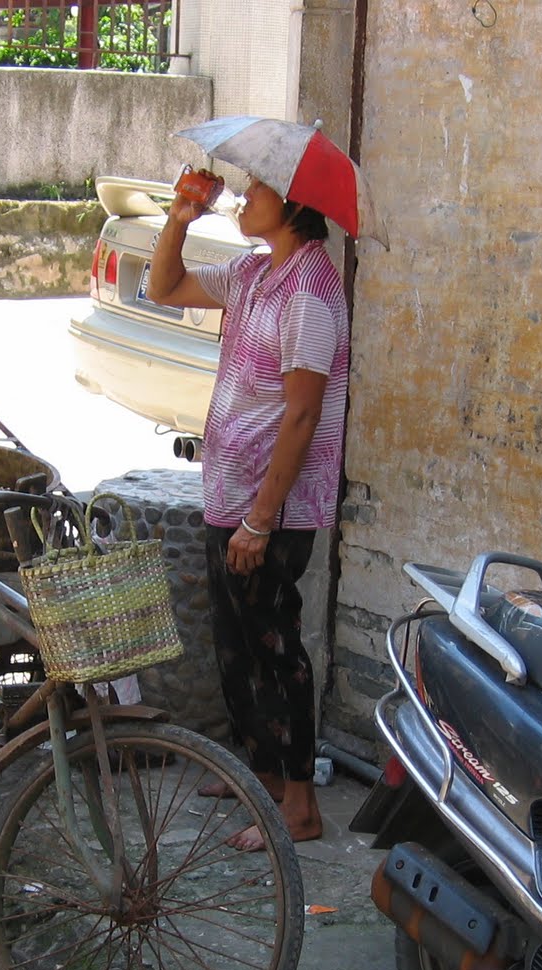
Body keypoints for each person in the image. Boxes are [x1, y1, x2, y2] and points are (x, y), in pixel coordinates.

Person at [145, 171, 349, 851]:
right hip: (231, 493)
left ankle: (299, 806)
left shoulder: (311, 294)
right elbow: (163, 288)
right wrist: (180, 215)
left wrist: (261, 520)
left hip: (275, 508)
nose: (242, 199)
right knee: (235, 646)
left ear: (295, 204)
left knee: (274, 648)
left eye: (257, 190)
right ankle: (256, 773)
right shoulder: (256, 273)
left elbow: (303, 414)